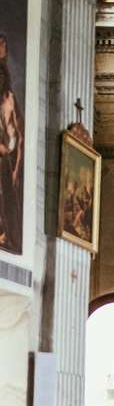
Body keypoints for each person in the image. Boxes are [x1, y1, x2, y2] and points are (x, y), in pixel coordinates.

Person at [0, 33, 24, 255]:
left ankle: (6, 233)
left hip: (3, 157)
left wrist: (9, 150)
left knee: (5, 196)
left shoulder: (8, 97)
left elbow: (13, 131)